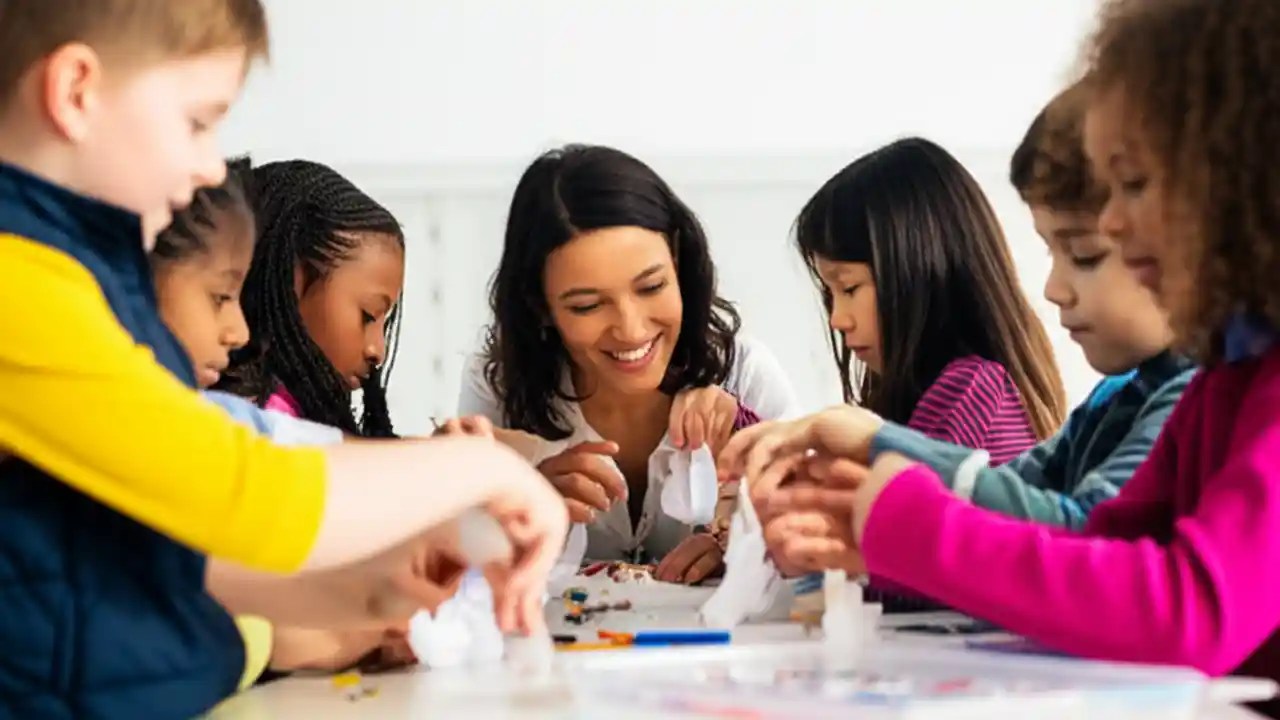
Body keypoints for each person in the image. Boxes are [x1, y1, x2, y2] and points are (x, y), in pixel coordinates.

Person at [0, 3, 565, 715]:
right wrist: (478, 470)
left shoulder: (82, 288)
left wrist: (374, 591)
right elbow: (239, 493)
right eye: (198, 122)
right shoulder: (15, 289)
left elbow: (156, 549)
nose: (211, 164)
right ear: (77, 92)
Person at [722, 0, 1280, 710]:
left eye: (1135, 186)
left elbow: (1186, 612)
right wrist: (884, 532)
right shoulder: (1228, 377)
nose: (1111, 218)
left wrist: (911, 525)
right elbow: (1098, 542)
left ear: (1247, 183)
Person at [460, 144, 800, 583]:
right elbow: (456, 563)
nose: (631, 329)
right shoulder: (499, 387)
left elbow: (817, 537)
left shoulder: (742, 373)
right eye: (587, 306)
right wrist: (525, 504)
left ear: (677, 261)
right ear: (539, 307)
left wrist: (739, 540)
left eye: (651, 286)